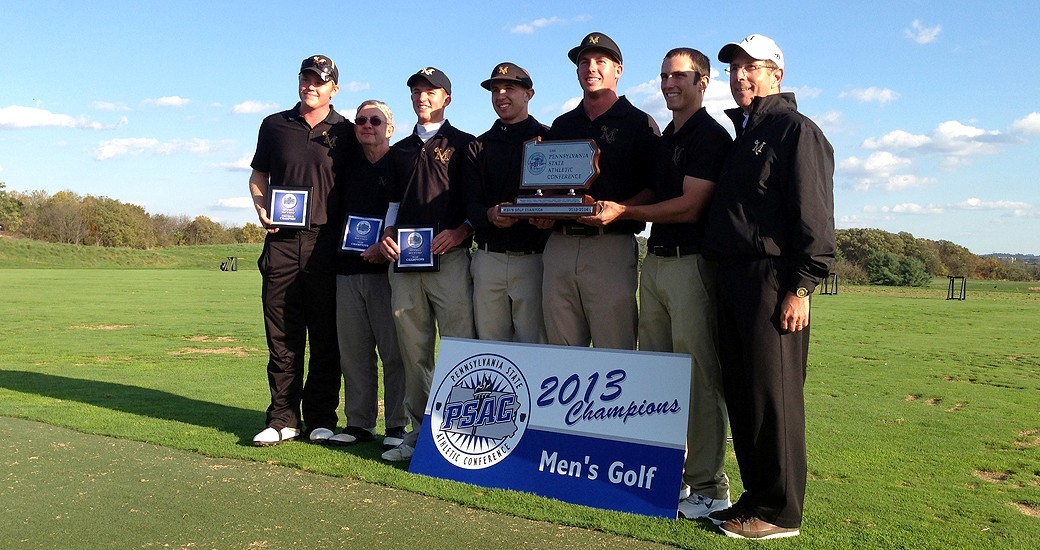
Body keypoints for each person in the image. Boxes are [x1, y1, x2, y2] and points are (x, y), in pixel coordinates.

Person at [584, 48, 733, 520]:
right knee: (657, 377)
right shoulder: (667, 135)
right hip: (657, 264)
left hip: (692, 265)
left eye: (680, 76)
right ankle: (667, 475)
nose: (669, 83)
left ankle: (710, 486)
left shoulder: (710, 135)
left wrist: (625, 211)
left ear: (703, 81)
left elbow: (690, 206)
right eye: (665, 75)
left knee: (699, 379)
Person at [702, 34, 835, 539]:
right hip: (732, 278)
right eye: (734, 68)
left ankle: (780, 513)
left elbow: (814, 217)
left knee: (773, 396)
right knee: (745, 395)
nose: (741, 76)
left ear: (776, 74)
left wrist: (801, 288)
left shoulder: (795, 131)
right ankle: (755, 499)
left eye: (751, 67)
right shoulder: (745, 133)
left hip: (773, 279)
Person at [248, 55, 357, 446]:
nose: (311, 86)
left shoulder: (347, 131)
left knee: (326, 337)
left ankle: (321, 418)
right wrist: (261, 207)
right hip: (281, 242)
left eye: (319, 81)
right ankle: (282, 419)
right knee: (282, 337)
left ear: (334, 88)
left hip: (325, 243)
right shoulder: (274, 124)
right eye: (306, 79)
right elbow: (259, 174)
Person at [379, 67, 476, 461]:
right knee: (414, 352)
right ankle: (420, 435)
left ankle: (465, 432)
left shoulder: (466, 144)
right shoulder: (399, 150)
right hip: (406, 263)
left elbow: (474, 203)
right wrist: (387, 233)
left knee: (459, 346)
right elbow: (393, 203)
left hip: (449, 259)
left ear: (446, 99)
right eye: (417, 92)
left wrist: (462, 231)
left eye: (431, 92)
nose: (423, 97)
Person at [539, 32, 659, 350]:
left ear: (618, 70)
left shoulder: (640, 123)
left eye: (600, 61)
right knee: (561, 353)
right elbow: (549, 187)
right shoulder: (562, 125)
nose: (591, 68)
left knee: (614, 352)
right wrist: (543, 210)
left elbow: (654, 188)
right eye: (584, 62)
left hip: (611, 246)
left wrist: (620, 210)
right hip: (560, 246)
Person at [329, 100, 408, 450]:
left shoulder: (402, 163)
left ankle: (397, 425)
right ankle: (359, 423)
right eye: (361, 120)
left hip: (387, 272)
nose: (367, 125)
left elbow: (410, 211)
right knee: (355, 354)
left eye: (375, 120)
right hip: (348, 271)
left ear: (389, 128)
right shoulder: (346, 166)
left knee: (394, 354)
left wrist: (389, 242)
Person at [464, 62, 551, 343]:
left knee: (535, 347)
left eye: (509, 88)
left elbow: (563, 195)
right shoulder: (478, 145)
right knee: (491, 351)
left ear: (528, 94)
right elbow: (470, 204)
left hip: (536, 259)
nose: (500, 95)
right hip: (489, 258)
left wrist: (550, 216)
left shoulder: (550, 139)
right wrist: (489, 214)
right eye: (495, 90)